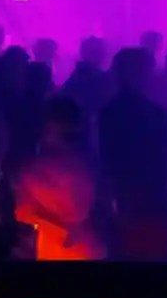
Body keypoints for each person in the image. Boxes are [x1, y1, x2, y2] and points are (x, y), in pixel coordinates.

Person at [98, 48, 167, 259]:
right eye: (148, 71)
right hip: (147, 196)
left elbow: (104, 158)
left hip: (128, 197)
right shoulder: (155, 113)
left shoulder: (109, 112)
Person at [15, 96, 104, 260]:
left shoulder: (40, 169)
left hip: (62, 250)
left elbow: (23, 211)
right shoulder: (89, 161)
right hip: (86, 247)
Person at [60, 36, 114, 118]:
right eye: (95, 52)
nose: (102, 54)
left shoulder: (72, 81)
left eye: (100, 51)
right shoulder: (105, 80)